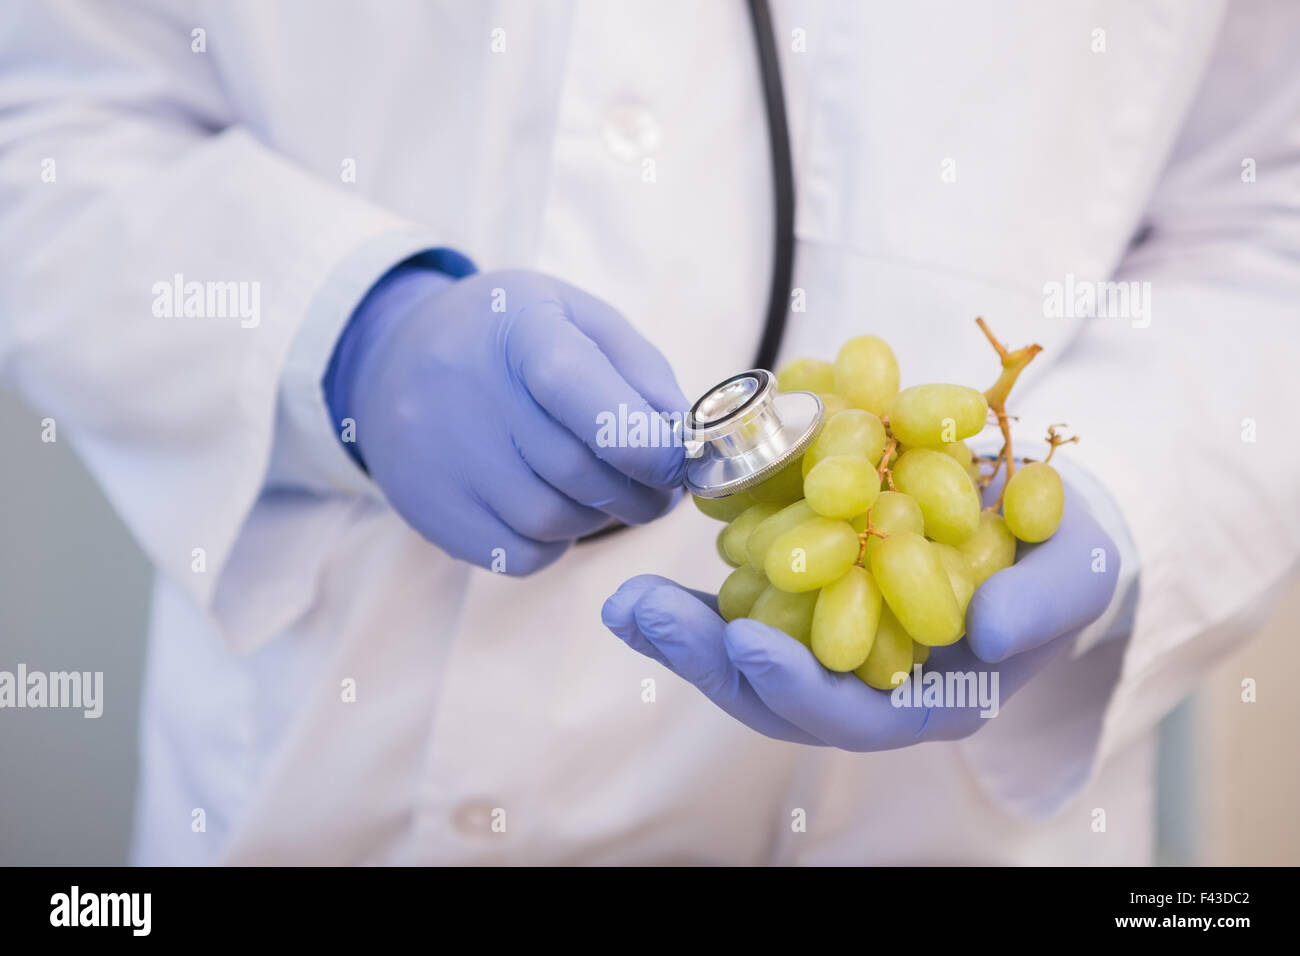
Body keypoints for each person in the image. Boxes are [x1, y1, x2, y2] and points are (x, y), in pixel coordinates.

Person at [1, 0, 1296, 865]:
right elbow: (46, 115)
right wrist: (344, 332)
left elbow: (1273, 214)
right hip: (315, 789)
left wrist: (1129, 496)